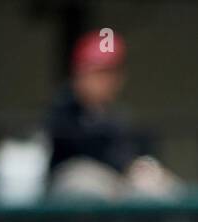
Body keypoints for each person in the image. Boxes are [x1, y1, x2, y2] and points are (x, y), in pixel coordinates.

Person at [45, 31, 179, 199]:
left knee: (160, 186)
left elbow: (130, 157)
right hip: (72, 189)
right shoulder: (63, 109)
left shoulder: (117, 117)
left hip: (115, 184)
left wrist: (141, 169)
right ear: (79, 74)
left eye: (111, 73)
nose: (106, 81)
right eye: (98, 72)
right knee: (84, 182)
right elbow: (84, 146)